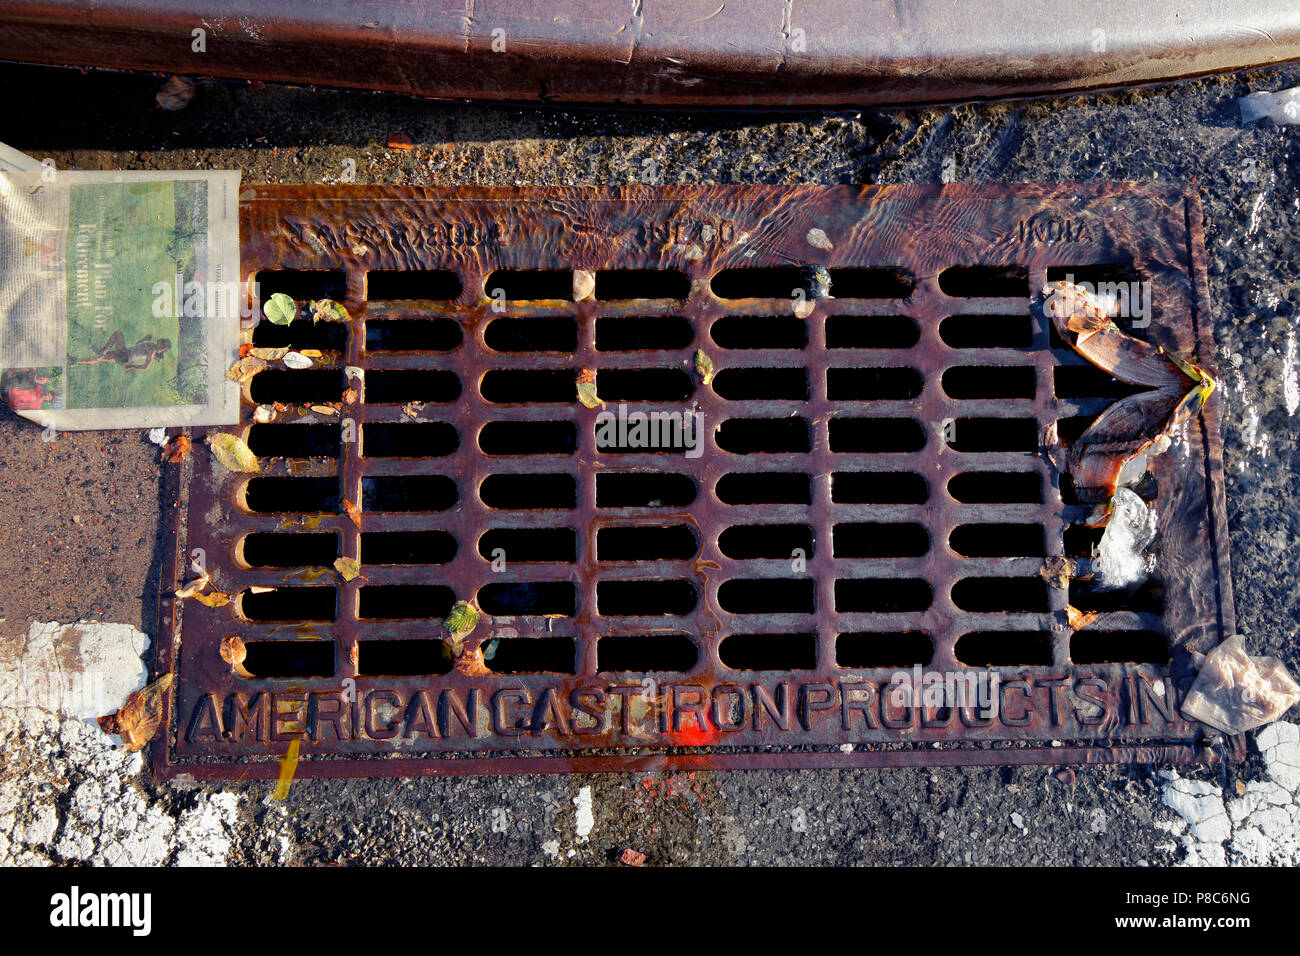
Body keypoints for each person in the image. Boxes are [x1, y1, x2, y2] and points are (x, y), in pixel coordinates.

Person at [70, 331, 172, 371]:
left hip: (125, 356)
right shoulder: (152, 345)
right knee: (100, 359)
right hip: (124, 355)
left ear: (162, 346)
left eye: (162, 341)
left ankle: (102, 351)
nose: (160, 339)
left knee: (119, 334)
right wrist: (144, 339)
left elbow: (145, 367)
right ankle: (76, 361)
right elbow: (137, 345)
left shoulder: (152, 350)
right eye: (162, 339)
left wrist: (132, 366)